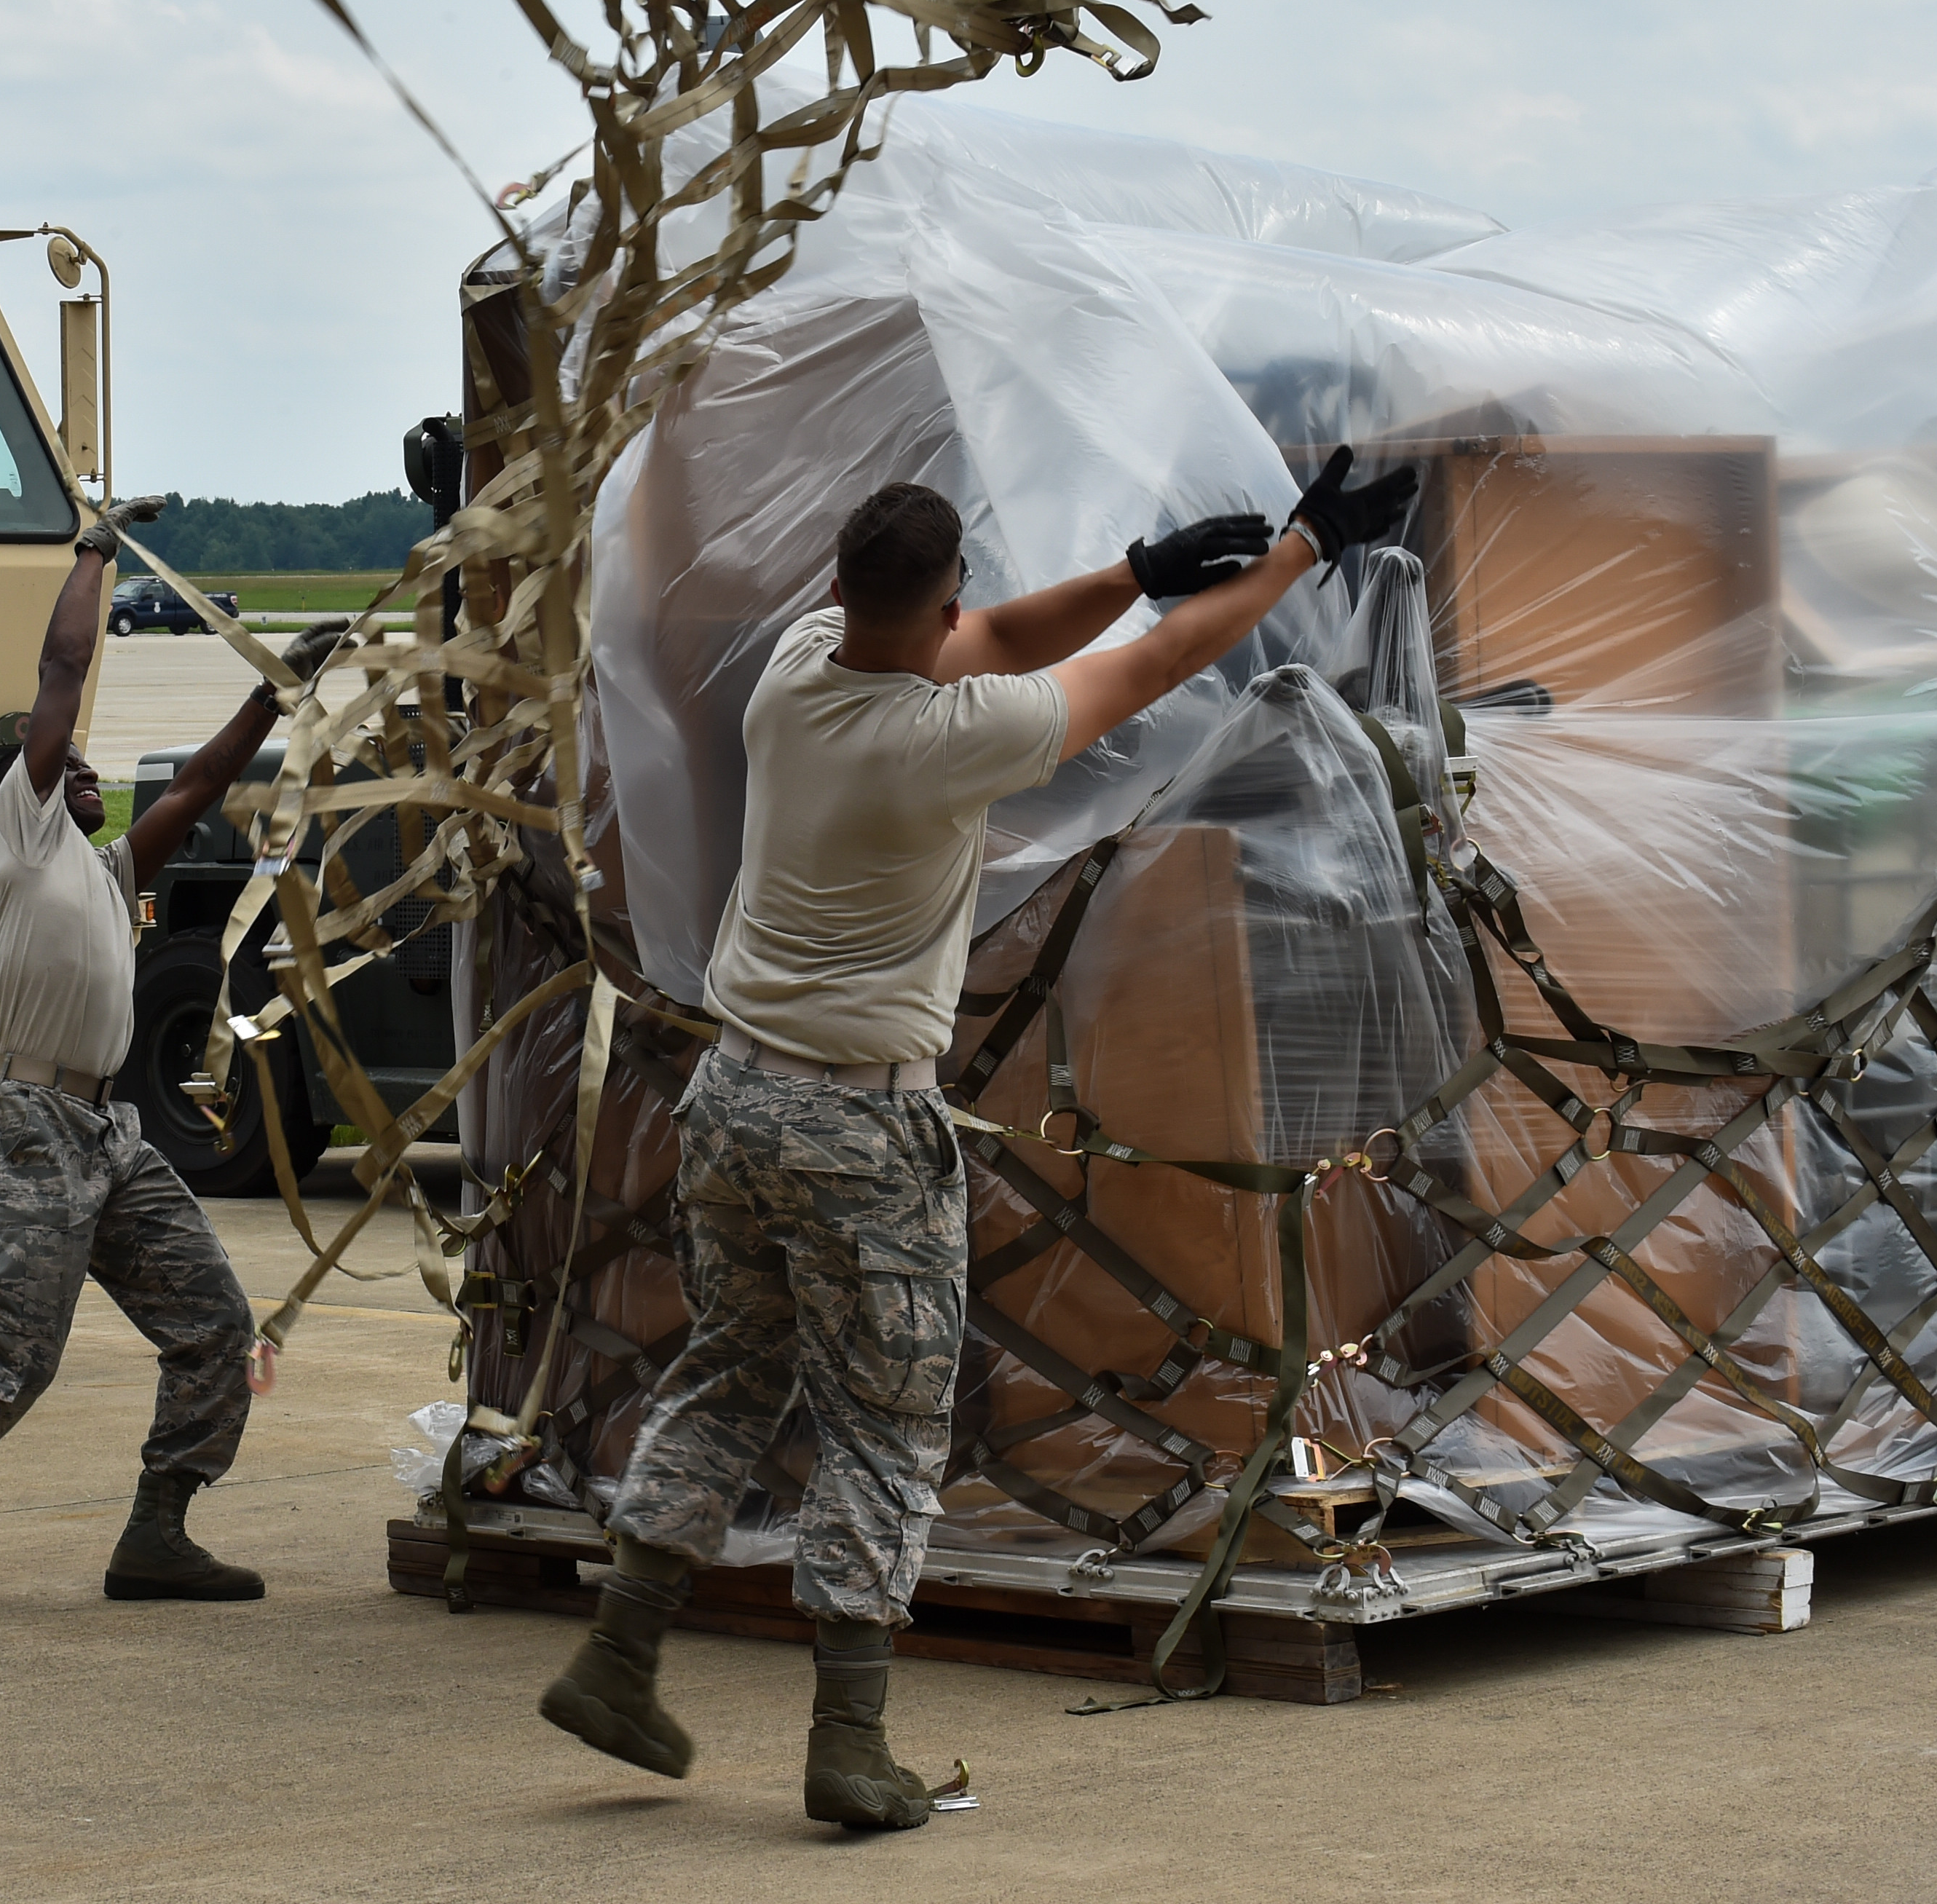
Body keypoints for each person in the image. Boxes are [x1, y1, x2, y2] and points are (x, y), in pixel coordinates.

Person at [537, 450, 1418, 1829]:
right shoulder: (952, 741)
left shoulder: (798, 667)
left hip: (738, 1103)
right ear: (943, 603)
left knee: (728, 1371)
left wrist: (1133, 569)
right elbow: (1160, 667)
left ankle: (620, 1653)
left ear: (840, 588)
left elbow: (1007, 637)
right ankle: (850, 1744)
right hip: (856, 1126)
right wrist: (1302, 554)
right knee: (885, 1426)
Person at [0, 500, 350, 1616]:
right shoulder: (25, 834)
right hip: (26, 1126)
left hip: (104, 1137)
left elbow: (197, 791)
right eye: (64, 761)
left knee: (215, 1326)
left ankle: (157, 1533)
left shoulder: (104, 862)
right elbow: (63, 666)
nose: (84, 769)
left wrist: (273, 691)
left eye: (82, 764)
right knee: (12, 1366)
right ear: (23, 782)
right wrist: (95, 550)